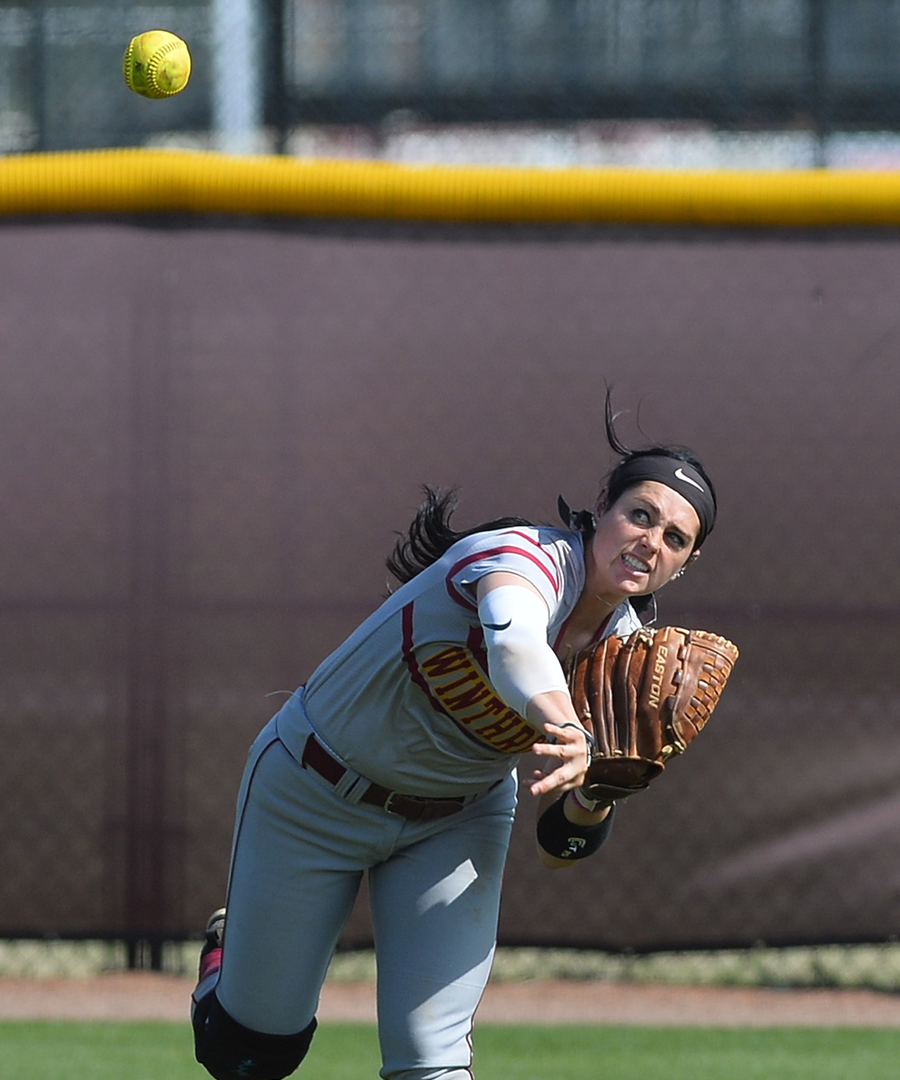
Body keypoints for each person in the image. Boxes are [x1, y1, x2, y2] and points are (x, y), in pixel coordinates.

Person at [190, 405, 718, 1080]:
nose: (651, 541)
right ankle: (223, 958)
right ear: (601, 509)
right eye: (640, 514)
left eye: (675, 537)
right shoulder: (519, 559)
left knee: (432, 1065)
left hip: (455, 820)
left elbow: (562, 847)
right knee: (249, 1055)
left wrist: (597, 794)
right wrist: (566, 722)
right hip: (314, 790)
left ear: (686, 563)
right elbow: (514, 645)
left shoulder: (624, 661)